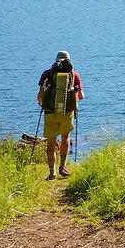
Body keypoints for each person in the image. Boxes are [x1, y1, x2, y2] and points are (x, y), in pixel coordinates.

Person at [37, 50, 84, 179]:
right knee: (65, 139)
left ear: (56, 60)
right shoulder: (74, 75)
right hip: (67, 112)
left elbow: (40, 95)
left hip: (50, 112)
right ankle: (62, 167)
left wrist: (43, 104)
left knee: (51, 143)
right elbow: (81, 96)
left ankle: (52, 173)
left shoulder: (47, 74)